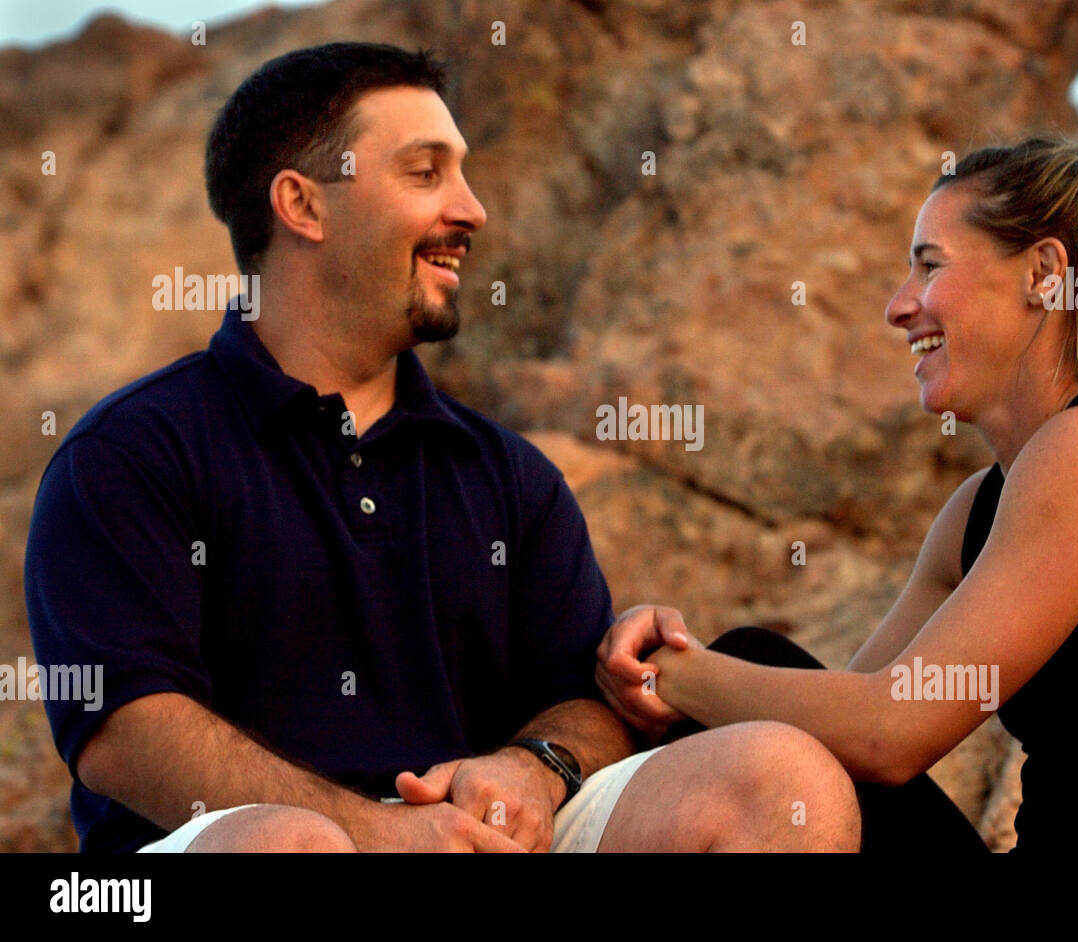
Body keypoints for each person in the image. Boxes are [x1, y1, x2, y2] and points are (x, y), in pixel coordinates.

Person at [24, 42, 861, 853]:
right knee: (289, 845)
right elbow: (123, 731)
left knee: (780, 777)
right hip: (233, 844)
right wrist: (373, 833)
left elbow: (581, 698)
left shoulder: (507, 475)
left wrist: (535, 768)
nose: (471, 210)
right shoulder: (130, 453)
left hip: (469, 839)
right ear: (302, 204)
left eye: (462, 172)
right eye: (426, 173)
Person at [598, 139, 1078, 852]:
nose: (898, 307)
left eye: (930, 265)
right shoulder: (977, 509)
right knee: (758, 679)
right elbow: (835, 728)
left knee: (738, 683)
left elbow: (889, 734)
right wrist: (675, 672)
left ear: (1044, 274)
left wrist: (673, 673)